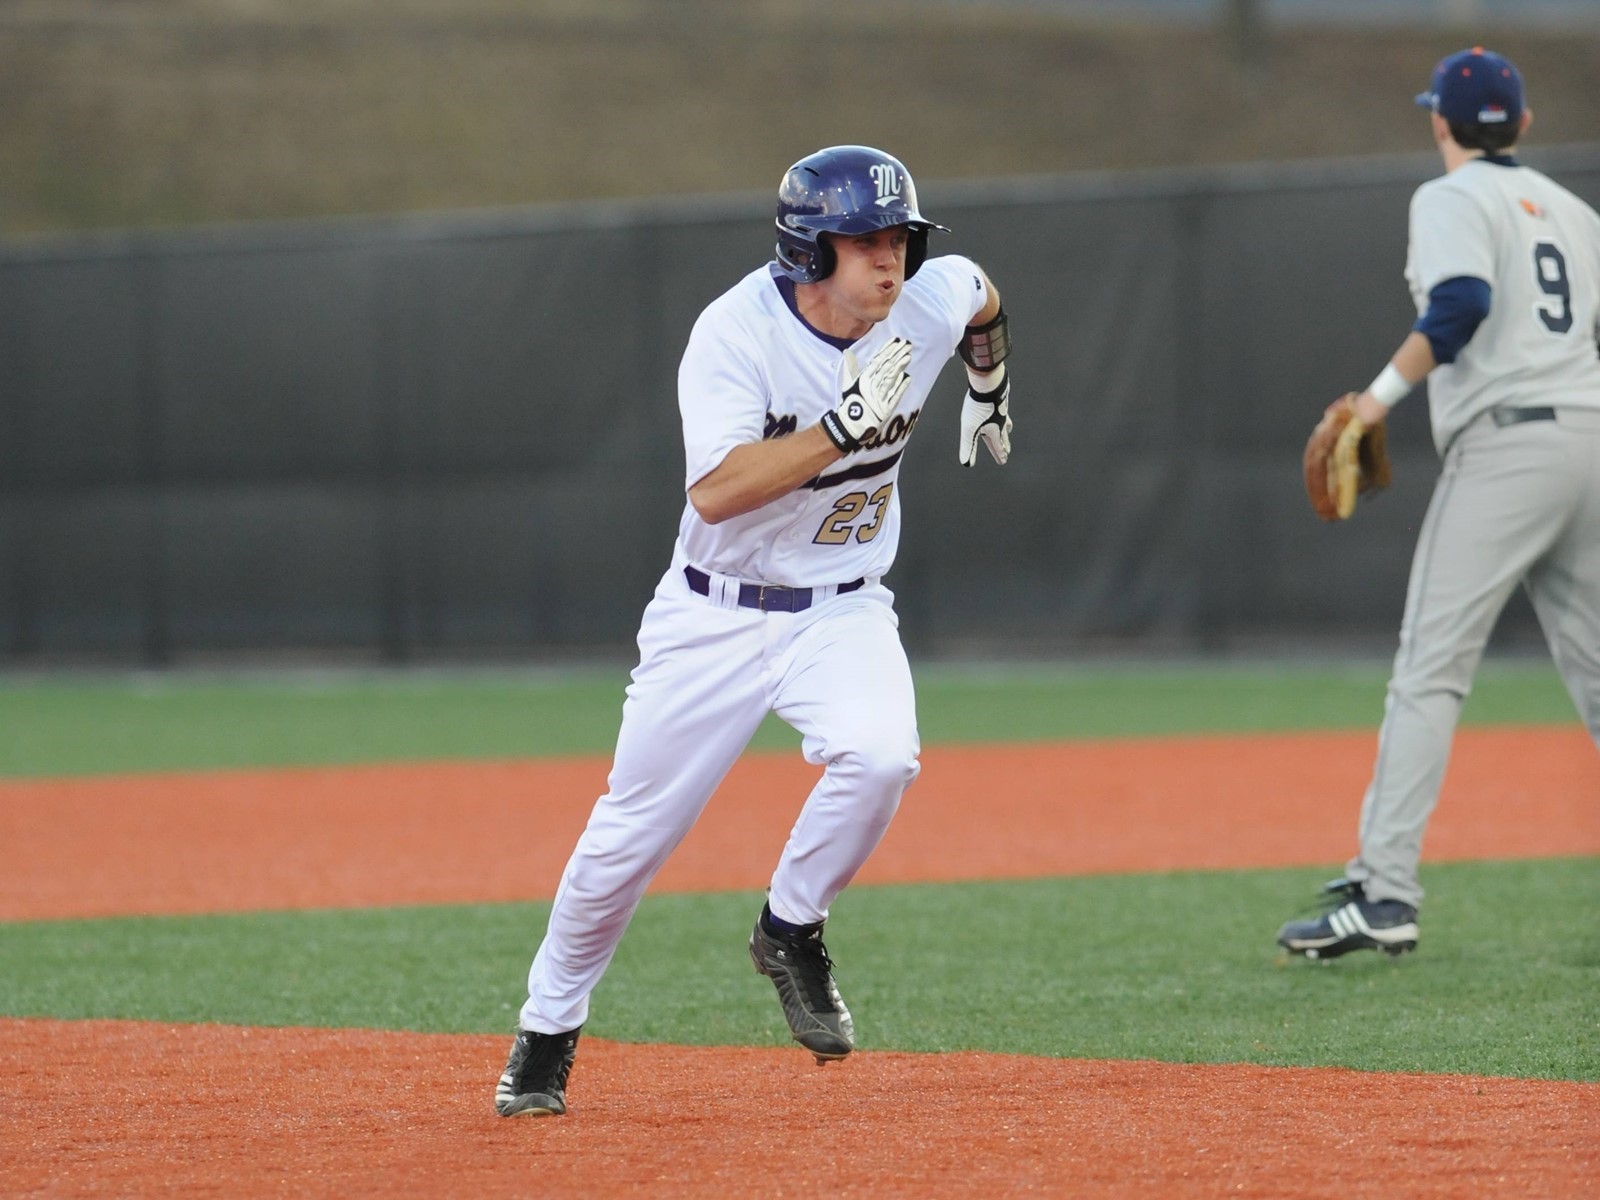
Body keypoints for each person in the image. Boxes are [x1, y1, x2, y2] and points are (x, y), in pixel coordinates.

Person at [494, 145, 1014, 1115]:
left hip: (842, 602)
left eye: (898, 236)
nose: (889, 260)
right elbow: (719, 492)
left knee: (881, 755)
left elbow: (977, 292)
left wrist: (988, 381)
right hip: (713, 613)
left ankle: (791, 928)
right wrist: (839, 431)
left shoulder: (924, 297)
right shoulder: (734, 332)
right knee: (626, 844)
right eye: (862, 241)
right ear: (809, 250)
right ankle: (546, 1031)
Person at [1277, 48, 1600, 960]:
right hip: (1589, 438)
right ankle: (1381, 888)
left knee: (1430, 668)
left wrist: (1374, 400)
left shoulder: (1450, 197)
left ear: (1440, 122)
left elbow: (1458, 305)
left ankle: (1383, 893)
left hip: (1510, 444)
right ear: (1524, 126)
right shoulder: (1577, 212)